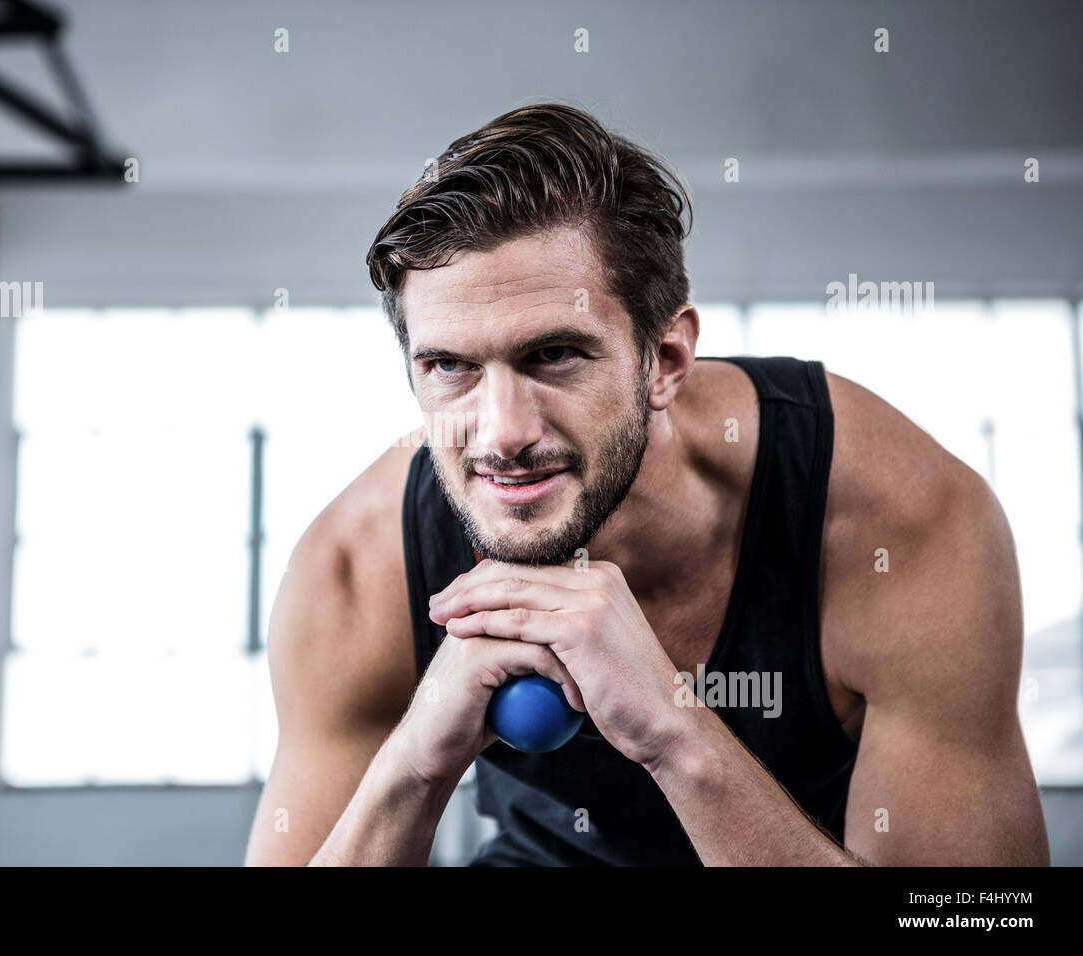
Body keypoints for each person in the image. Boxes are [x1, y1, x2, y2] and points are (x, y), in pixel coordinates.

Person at [243, 103, 1050, 866]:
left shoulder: (902, 520)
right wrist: (414, 763)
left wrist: (674, 730)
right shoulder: (358, 568)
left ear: (663, 360)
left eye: (554, 356)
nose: (501, 433)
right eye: (449, 365)